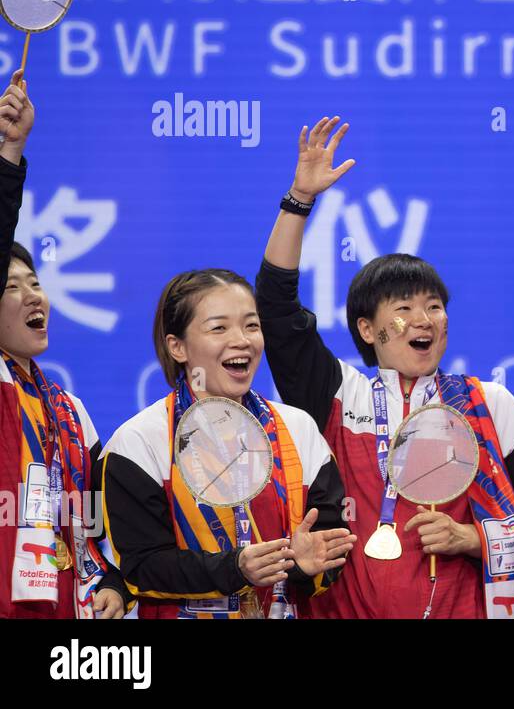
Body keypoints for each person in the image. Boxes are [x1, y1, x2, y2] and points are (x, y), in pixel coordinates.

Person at [256, 117, 514, 619]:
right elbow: (276, 309)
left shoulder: (489, 404)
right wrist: (299, 201)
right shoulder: (335, 394)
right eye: (403, 307)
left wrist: (471, 537)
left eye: (434, 306)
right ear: (367, 329)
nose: (424, 319)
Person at [102, 269, 355, 618]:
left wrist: (300, 564)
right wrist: (235, 569)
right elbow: (141, 566)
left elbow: (330, 535)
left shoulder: (299, 429)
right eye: (219, 328)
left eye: (251, 326)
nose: (242, 340)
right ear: (177, 346)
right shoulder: (138, 442)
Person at [0, 69, 128, 619]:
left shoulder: (71, 412)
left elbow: (98, 513)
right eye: (10, 287)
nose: (34, 297)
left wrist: (116, 582)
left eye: (36, 284)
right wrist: (10, 149)